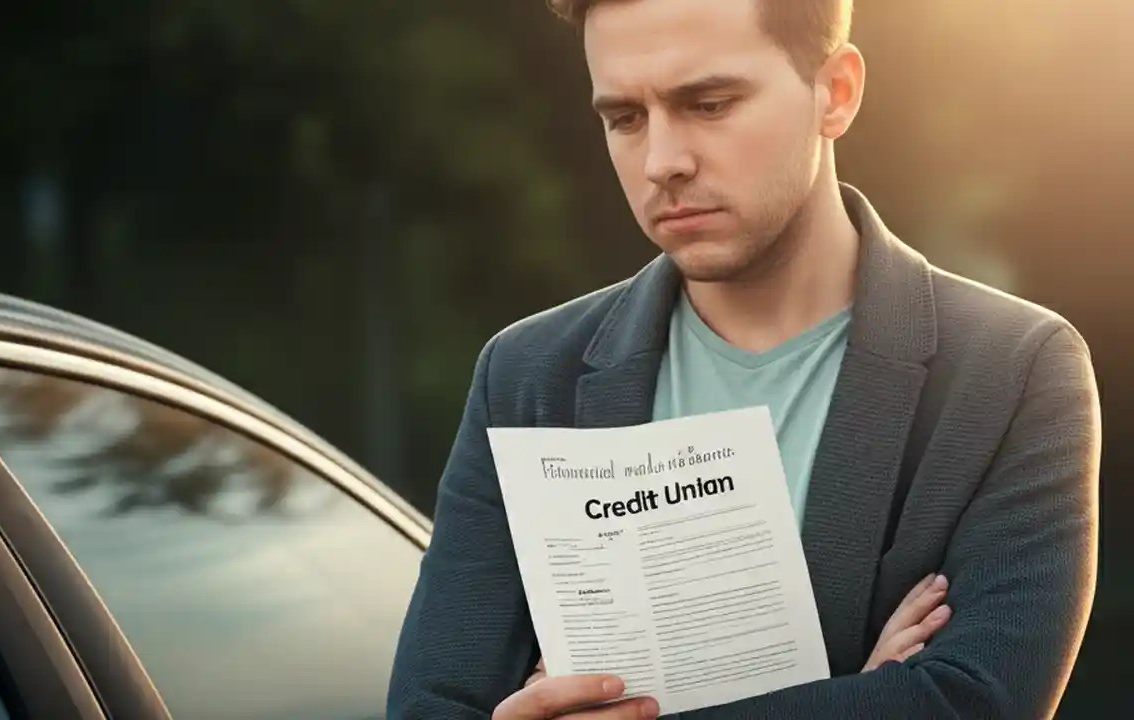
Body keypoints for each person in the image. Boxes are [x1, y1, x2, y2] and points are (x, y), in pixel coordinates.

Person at [386, 0, 1101, 718]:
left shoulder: (1011, 370)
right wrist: (859, 695)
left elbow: (975, 703)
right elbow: (432, 704)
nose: (664, 162)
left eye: (710, 103)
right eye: (626, 118)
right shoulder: (528, 376)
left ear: (837, 93)